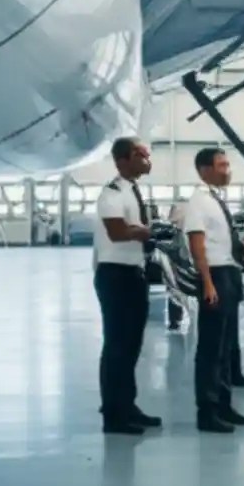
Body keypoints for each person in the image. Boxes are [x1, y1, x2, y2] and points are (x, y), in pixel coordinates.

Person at [183, 147, 244, 433]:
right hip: (214, 274)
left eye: (227, 165)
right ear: (204, 170)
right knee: (211, 348)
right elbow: (197, 244)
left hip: (229, 273)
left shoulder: (216, 199)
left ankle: (224, 405)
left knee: (226, 347)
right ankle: (208, 411)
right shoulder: (198, 201)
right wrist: (208, 282)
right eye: (221, 165)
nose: (227, 170)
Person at [93, 138, 160, 435]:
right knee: (117, 346)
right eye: (139, 154)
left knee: (132, 346)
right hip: (115, 275)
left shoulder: (133, 190)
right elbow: (118, 232)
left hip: (134, 272)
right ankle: (113, 415)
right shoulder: (112, 193)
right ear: (122, 160)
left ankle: (127, 405)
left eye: (147, 154)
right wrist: (147, 232)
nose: (146, 159)